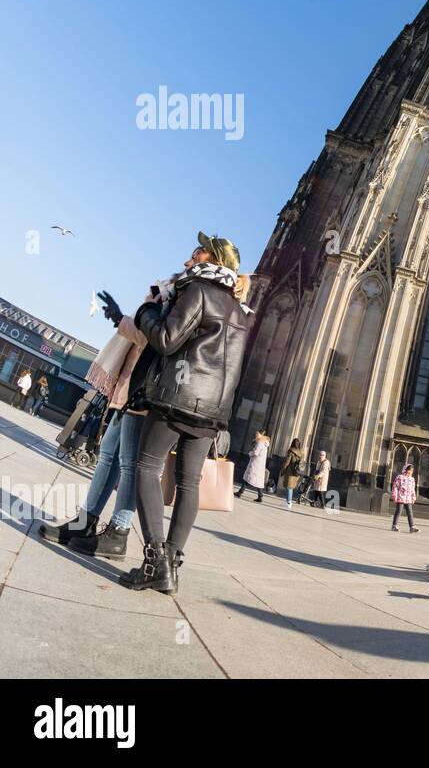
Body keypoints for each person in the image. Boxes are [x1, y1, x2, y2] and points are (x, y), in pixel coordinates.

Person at [121, 233, 252, 594]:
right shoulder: (240, 312)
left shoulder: (198, 292)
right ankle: (172, 565)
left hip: (177, 399)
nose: (188, 260)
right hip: (213, 411)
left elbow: (166, 339)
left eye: (197, 252)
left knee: (147, 469)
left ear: (213, 259)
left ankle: (154, 562)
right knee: (189, 483)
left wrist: (147, 313)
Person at [40, 292, 151, 558]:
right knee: (108, 457)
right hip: (124, 386)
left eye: (197, 255)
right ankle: (84, 524)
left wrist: (120, 319)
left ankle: (118, 532)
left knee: (128, 465)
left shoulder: (178, 293)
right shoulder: (166, 290)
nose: (189, 259)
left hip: (143, 391)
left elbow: (154, 340)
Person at [234, 431, 270, 502]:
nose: (256, 434)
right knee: (257, 481)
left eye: (257, 433)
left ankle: (240, 492)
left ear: (261, 434)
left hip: (255, 464)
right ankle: (260, 496)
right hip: (260, 465)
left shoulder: (260, 443)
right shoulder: (265, 443)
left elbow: (256, 453)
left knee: (247, 477)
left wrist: (250, 453)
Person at [391, 463, 418, 532]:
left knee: (410, 513)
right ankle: (394, 525)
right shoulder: (400, 477)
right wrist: (395, 495)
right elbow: (395, 487)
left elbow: (412, 489)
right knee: (398, 512)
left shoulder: (412, 479)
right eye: (409, 470)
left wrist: (413, 497)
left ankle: (412, 527)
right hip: (401, 497)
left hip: (408, 499)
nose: (410, 472)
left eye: (412, 470)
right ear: (405, 470)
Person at [278, 438, 304, 508]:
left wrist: (283, 470)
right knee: (290, 487)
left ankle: (289, 502)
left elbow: (287, 462)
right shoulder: (301, 452)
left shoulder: (291, 451)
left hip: (290, 472)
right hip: (297, 472)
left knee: (289, 487)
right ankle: (288, 501)